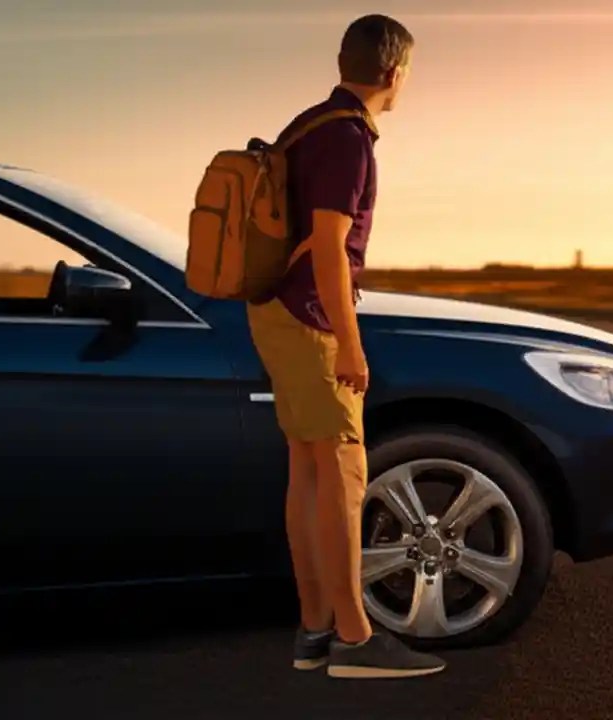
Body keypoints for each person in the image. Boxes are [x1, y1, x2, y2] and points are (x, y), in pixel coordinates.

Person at [246, 14, 446, 679]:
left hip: (276, 312)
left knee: (308, 474)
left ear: (342, 61)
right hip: (310, 320)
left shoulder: (306, 126)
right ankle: (355, 640)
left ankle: (313, 631)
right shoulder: (347, 140)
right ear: (396, 74)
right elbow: (330, 247)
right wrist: (350, 346)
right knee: (342, 478)